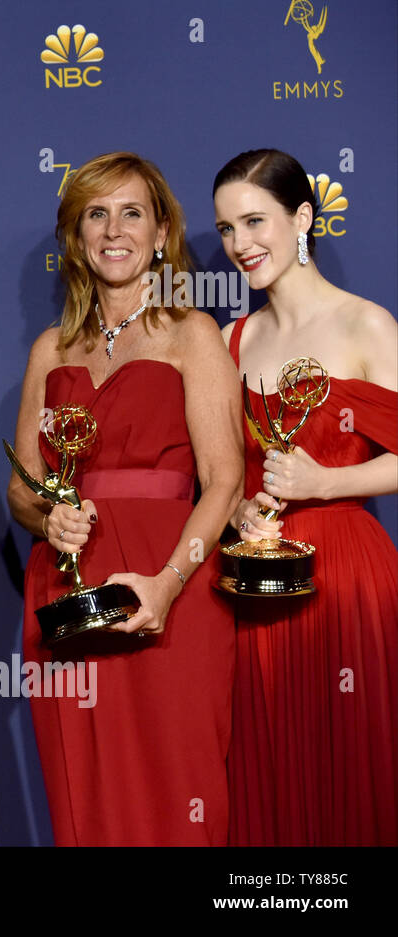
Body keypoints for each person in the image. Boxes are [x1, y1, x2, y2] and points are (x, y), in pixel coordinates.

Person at [7, 152, 243, 845]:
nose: (114, 229)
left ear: (162, 229)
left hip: (173, 585)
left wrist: (168, 585)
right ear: (76, 235)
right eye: (96, 214)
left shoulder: (192, 334)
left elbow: (225, 481)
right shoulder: (50, 349)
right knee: (85, 794)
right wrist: (48, 516)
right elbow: (22, 486)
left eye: (132, 211)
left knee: (179, 791)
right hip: (66, 591)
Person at [213, 148, 398, 846]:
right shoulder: (235, 338)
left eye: (256, 221)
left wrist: (327, 482)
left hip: (348, 581)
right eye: (228, 229)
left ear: (303, 217)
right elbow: (224, 471)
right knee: (269, 772)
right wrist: (236, 510)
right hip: (258, 585)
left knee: (352, 765)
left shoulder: (366, 325)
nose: (240, 245)